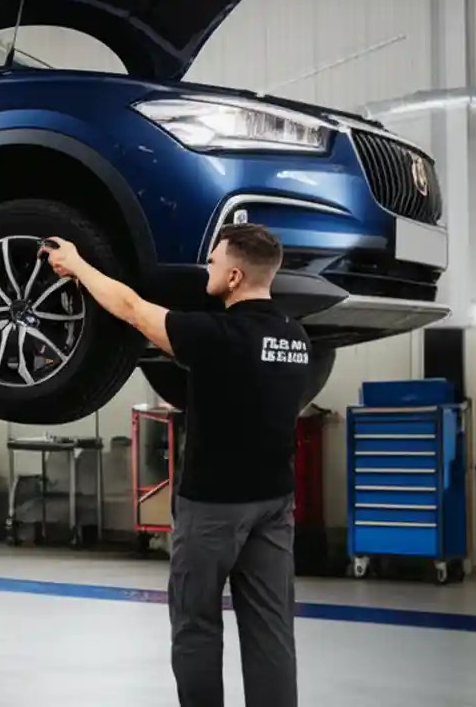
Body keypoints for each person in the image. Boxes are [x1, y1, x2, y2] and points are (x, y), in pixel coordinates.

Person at [41, 223, 309, 707]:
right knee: (271, 629)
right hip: (274, 504)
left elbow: (131, 309)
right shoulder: (295, 337)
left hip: (213, 508)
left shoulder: (217, 335)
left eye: (211, 260)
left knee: (196, 624)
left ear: (232, 276)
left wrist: (77, 266)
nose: (205, 266)